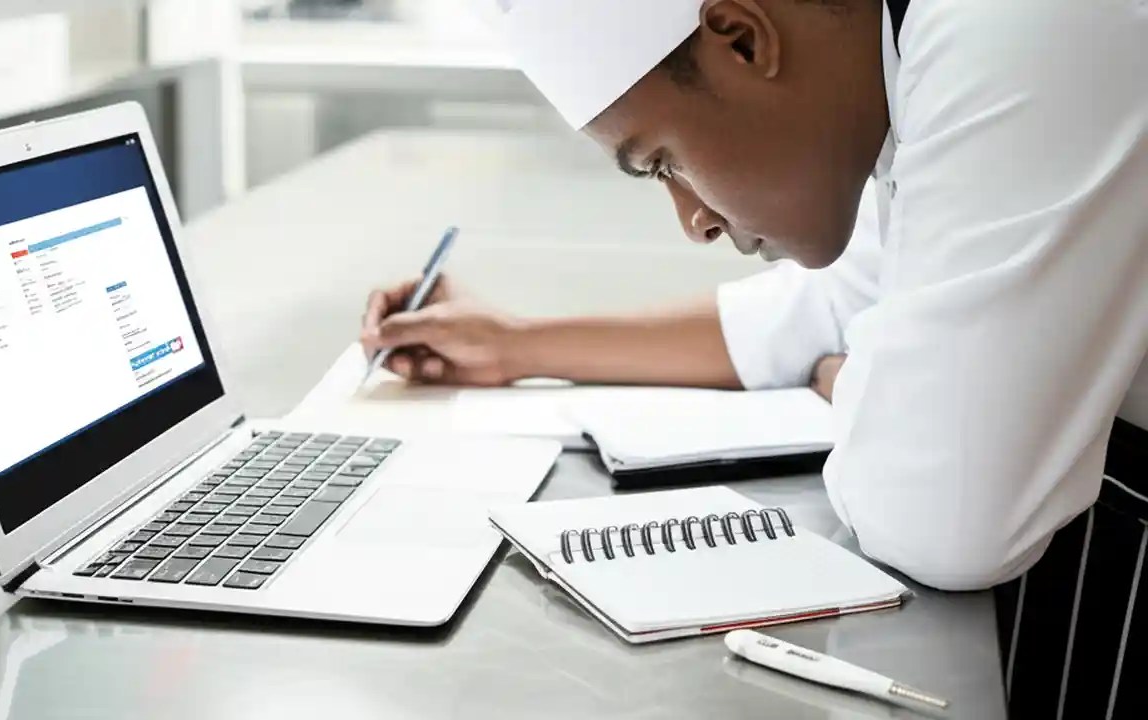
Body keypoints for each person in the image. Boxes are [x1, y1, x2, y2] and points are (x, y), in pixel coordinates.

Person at [361, 2, 1146, 712]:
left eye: (662, 161)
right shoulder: (908, 60)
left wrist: (847, 379)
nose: (693, 222)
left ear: (743, 38)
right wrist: (516, 346)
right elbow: (830, 309)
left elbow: (947, 517)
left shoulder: (1017, 26)